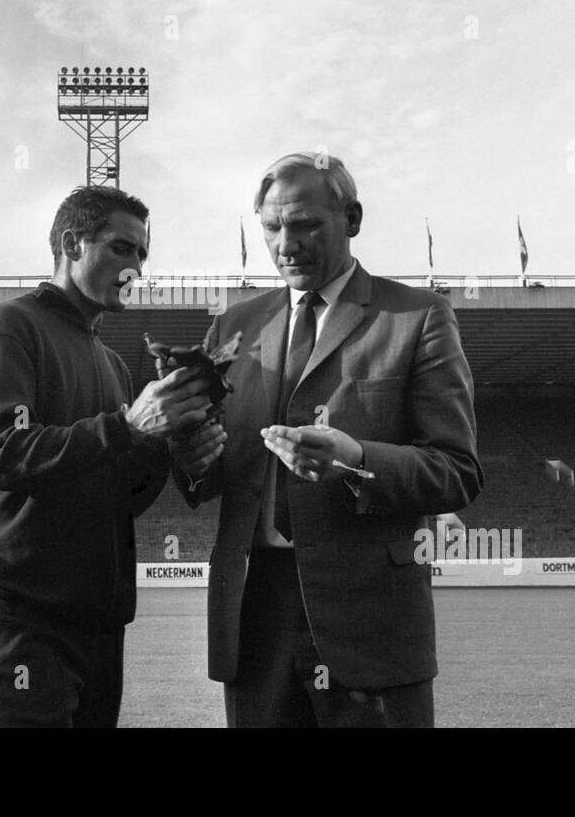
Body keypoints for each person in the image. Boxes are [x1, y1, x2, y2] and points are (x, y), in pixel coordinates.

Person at [176, 152, 484, 727]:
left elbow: (457, 469)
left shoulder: (418, 316)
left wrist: (356, 459)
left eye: (305, 224)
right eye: (271, 227)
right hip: (254, 617)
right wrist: (192, 459)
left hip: (371, 620)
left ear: (353, 217)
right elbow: (216, 469)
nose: (285, 243)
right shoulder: (232, 328)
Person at [0, 185, 221, 727]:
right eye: (122, 249)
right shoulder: (8, 328)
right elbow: (3, 456)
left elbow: (122, 495)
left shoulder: (113, 364)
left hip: (98, 622)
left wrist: (167, 445)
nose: (135, 267)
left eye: (142, 254)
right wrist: (125, 425)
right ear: (72, 244)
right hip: (20, 614)